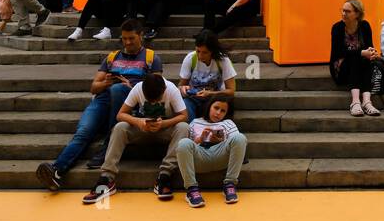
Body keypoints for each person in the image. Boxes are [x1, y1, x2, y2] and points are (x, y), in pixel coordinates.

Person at [36, 20, 161, 190]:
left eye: (131, 38)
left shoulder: (151, 57)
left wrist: (132, 87)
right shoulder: (112, 57)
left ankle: (108, 143)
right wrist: (107, 83)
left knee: (118, 90)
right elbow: (94, 87)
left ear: (140, 36)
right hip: (104, 98)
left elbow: (157, 89)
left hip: (130, 102)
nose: (128, 42)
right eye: (124, 39)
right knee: (83, 132)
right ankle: (56, 171)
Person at [86, 73, 191, 204]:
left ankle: (165, 175)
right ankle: (107, 177)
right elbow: (120, 115)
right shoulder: (138, 88)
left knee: (183, 127)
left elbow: (184, 116)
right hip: (142, 130)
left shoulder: (171, 89)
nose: (153, 103)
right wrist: (138, 122)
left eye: (156, 100)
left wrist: (163, 124)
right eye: (149, 100)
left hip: (164, 131)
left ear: (164, 90)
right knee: (120, 127)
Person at [176, 98, 248, 208]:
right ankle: (191, 189)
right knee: (183, 143)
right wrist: (200, 139)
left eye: (223, 111)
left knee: (240, 137)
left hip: (222, 157)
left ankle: (229, 184)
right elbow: (185, 149)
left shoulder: (228, 123)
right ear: (209, 107)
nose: (218, 113)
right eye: (216, 108)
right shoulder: (195, 122)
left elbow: (238, 144)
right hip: (200, 158)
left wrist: (220, 141)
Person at [330, 0, 382, 116]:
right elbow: (338, 52)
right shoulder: (337, 28)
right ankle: (355, 102)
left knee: (364, 59)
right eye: (342, 10)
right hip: (341, 68)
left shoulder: (364, 25)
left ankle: (367, 102)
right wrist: (361, 53)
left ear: (357, 13)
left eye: (348, 11)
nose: (344, 14)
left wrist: (372, 52)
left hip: (360, 66)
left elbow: (369, 47)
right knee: (356, 57)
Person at [177, 30, 237, 122]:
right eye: (198, 51)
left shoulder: (223, 60)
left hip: (214, 98)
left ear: (212, 51)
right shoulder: (190, 58)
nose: (200, 56)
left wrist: (210, 94)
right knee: (185, 105)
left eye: (205, 52)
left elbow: (231, 91)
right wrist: (183, 89)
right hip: (193, 98)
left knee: (216, 109)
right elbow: (181, 86)